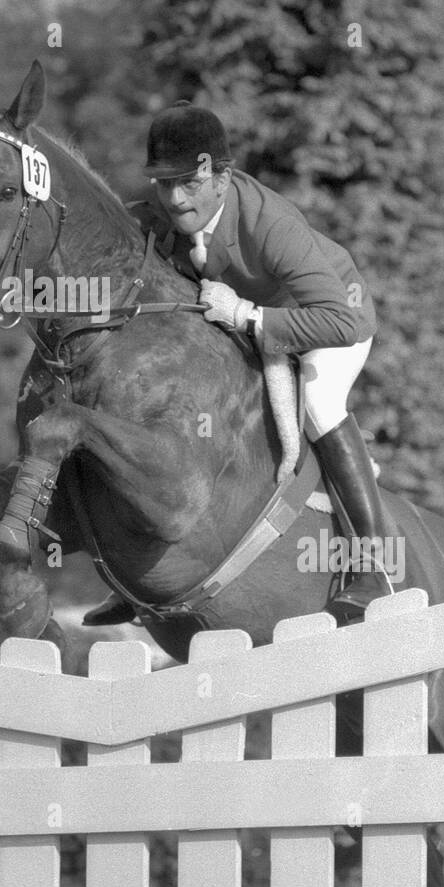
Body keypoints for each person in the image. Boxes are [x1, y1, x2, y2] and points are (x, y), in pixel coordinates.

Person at [85, 102, 392, 628]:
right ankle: (133, 572)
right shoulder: (159, 213)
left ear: (221, 176)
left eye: (187, 183)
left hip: (325, 320)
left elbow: (341, 322)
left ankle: (371, 564)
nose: (175, 199)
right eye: (163, 184)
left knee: (319, 404)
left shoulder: (271, 223)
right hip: (245, 320)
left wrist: (250, 317)